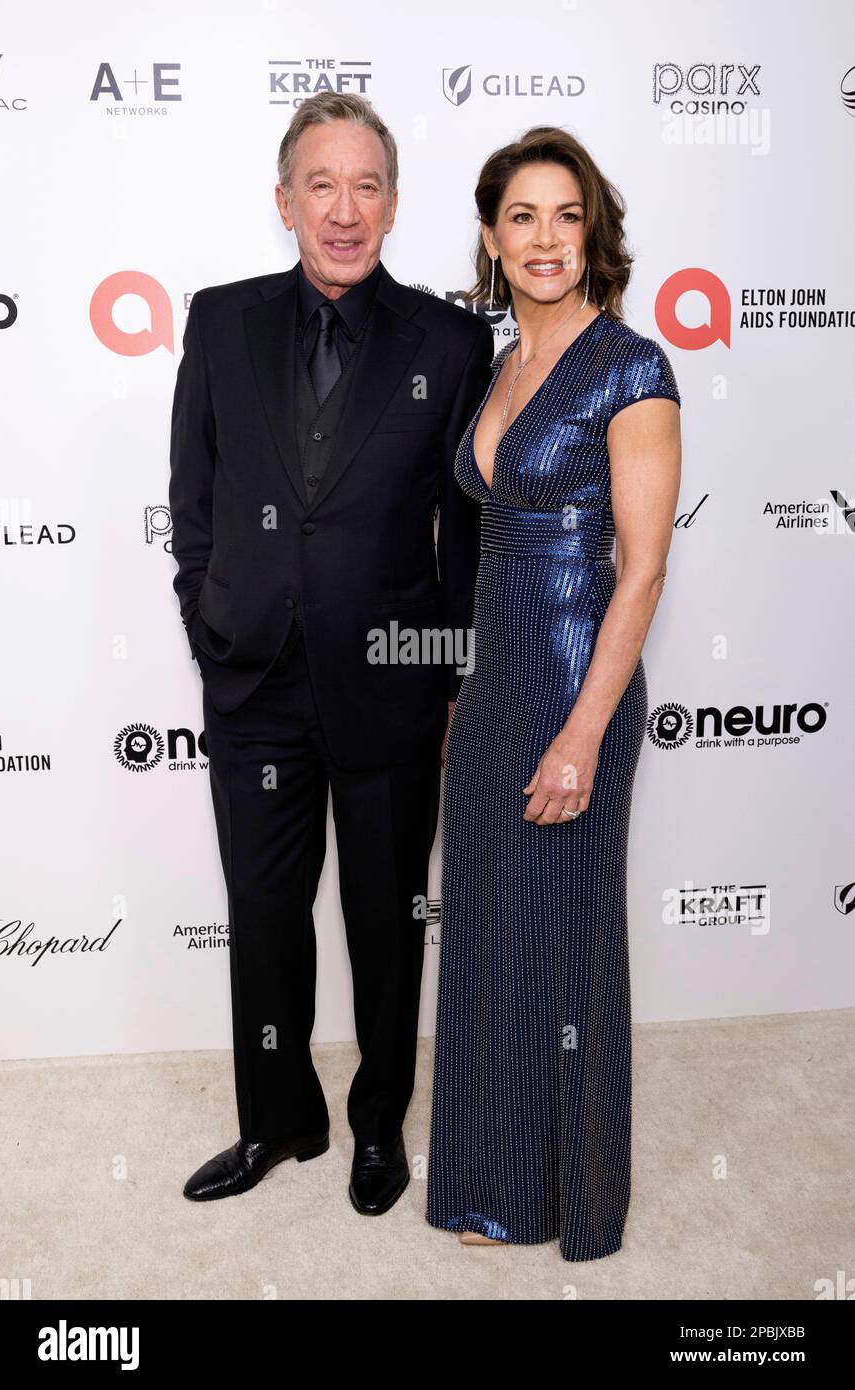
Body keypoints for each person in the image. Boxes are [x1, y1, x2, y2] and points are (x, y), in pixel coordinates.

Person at [169, 92, 493, 1216]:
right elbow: (194, 501)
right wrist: (209, 627)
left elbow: (468, 531)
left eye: (366, 187)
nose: (343, 211)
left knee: (386, 925)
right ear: (284, 199)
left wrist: (449, 673)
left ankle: (374, 1129)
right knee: (263, 923)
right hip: (255, 682)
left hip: (394, 688)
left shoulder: (450, 342)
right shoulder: (220, 321)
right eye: (322, 185)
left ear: (394, 205)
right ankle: (278, 1120)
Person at [426, 126, 682, 1260]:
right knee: (489, 924)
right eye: (521, 216)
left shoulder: (631, 365)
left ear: (593, 232)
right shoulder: (501, 361)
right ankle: (491, 1177)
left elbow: (645, 566)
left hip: (580, 678)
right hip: (494, 681)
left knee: (560, 932)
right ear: (491, 235)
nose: (544, 238)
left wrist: (582, 732)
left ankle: (567, 1190)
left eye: (565, 215)